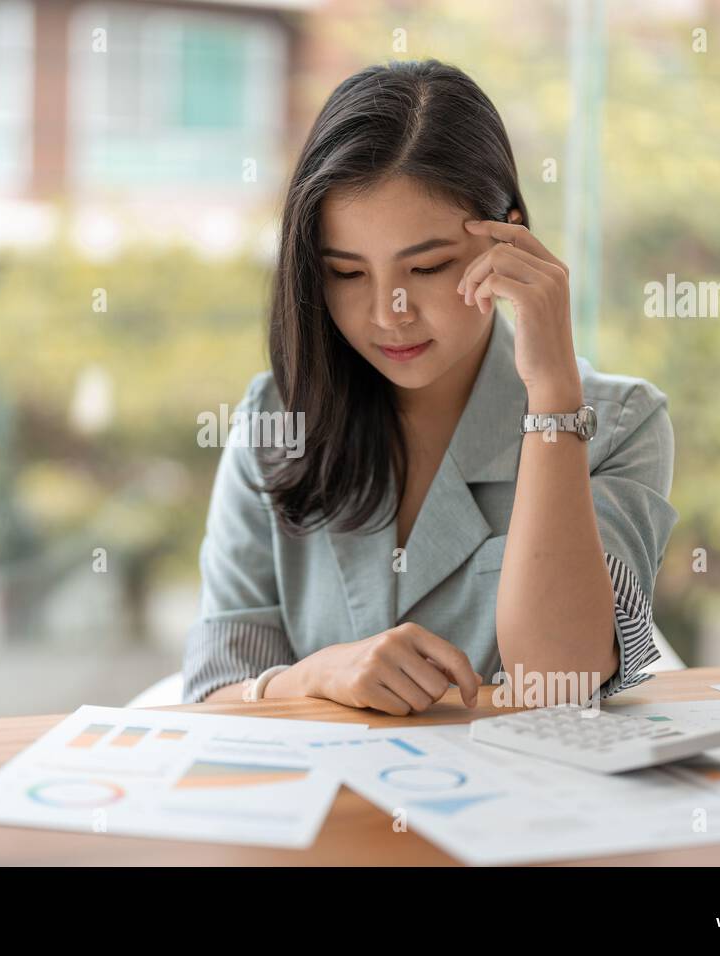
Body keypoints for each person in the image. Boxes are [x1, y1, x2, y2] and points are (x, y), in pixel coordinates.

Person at [181, 59, 678, 714]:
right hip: (332, 809)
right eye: (348, 274)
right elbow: (215, 691)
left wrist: (553, 396)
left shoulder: (619, 423)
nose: (389, 312)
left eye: (428, 266)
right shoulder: (277, 418)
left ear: (512, 233)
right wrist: (318, 674)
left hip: (524, 808)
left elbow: (561, 677)